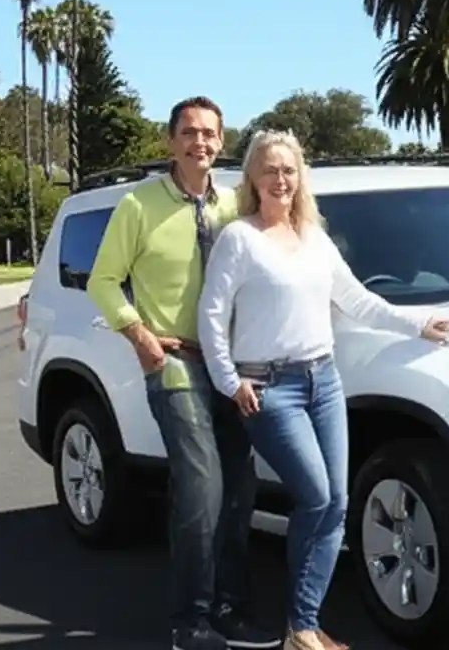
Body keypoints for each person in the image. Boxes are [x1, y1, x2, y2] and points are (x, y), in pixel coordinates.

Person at [197, 130, 449, 650]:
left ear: (300, 176)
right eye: (269, 169)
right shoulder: (239, 239)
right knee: (315, 495)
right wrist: (230, 381)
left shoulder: (314, 236)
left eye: (288, 169)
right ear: (252, 178)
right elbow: (212, 316)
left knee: (336, 502)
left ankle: (303, 626)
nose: (280, 179)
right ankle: (303, 625)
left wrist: (417, 323)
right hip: (269, 389)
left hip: (324, 381)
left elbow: (357, 300)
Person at [86, 97, 279, 650]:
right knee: (201, 488)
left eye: (210, 134)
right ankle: (190, 623)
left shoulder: (234, 208)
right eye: (189, 132)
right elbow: (104, 281)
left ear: (222, 142)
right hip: (174, 365)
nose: (201, 142)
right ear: (171, 141)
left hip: (229, 366)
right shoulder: (138, 205)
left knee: (240, 487)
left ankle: (231, 610)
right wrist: (140, 337)